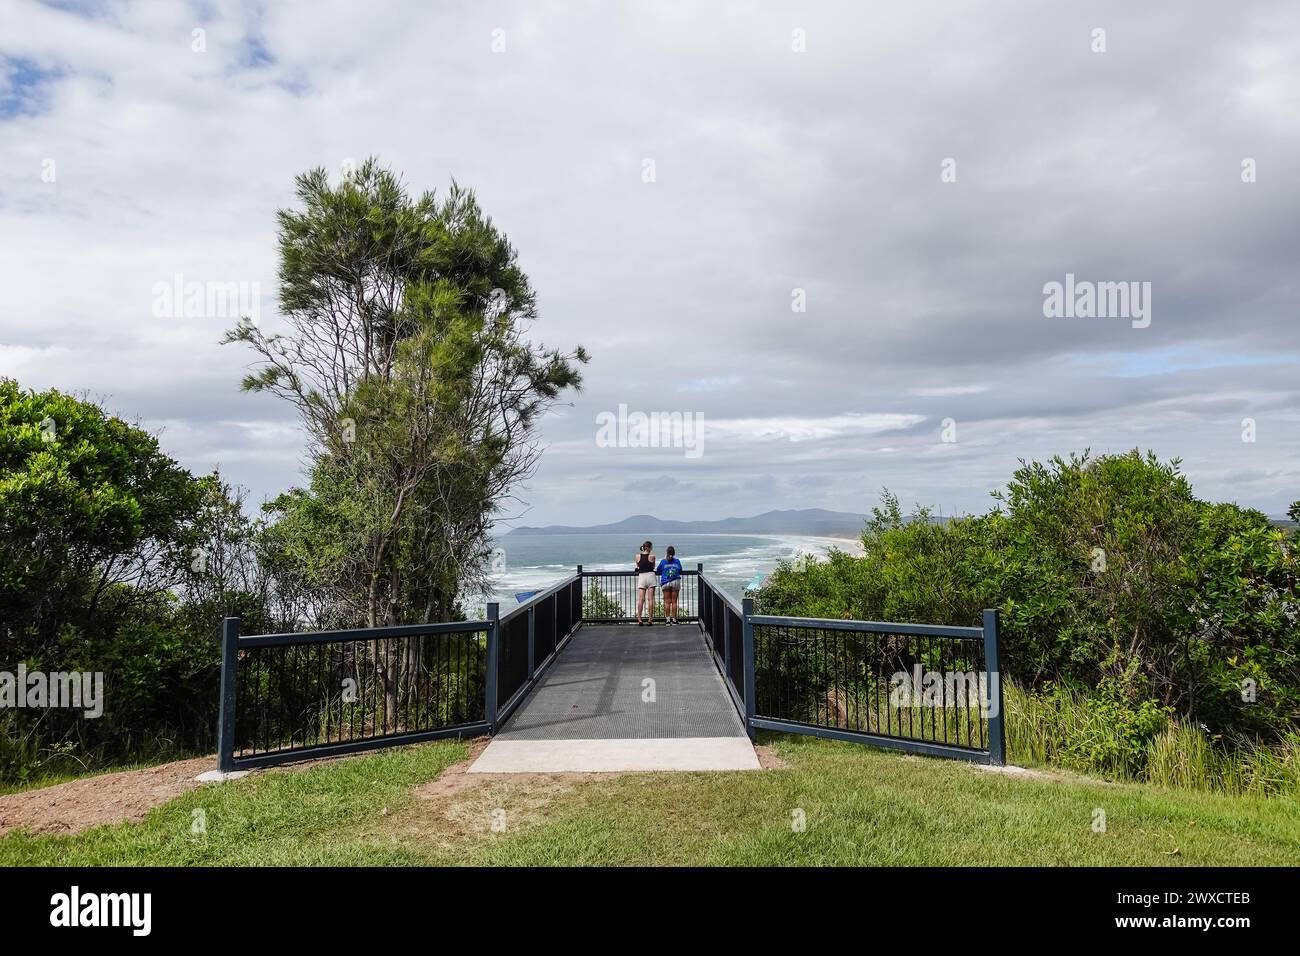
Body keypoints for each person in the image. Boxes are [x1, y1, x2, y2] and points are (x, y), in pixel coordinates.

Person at [656, 546, 683, 625]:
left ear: (667, 553)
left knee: (667, 602)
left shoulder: (663, 561)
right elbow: (680, 569)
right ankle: (674, 620)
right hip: (675, 581)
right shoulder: (677, 561)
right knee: (674, 602)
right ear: (674, 553)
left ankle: (667, 620)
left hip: (665, 582)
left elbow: (658, 570)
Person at [634, 540, 657, 626]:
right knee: (650, 599)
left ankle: (639, 619)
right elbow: (653, 566)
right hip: (651, 576)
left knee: (641, 599)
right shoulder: (652, 556)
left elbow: (638, 566)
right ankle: (650, 619)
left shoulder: (637, 556)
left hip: (642, 577)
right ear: (650, 547)